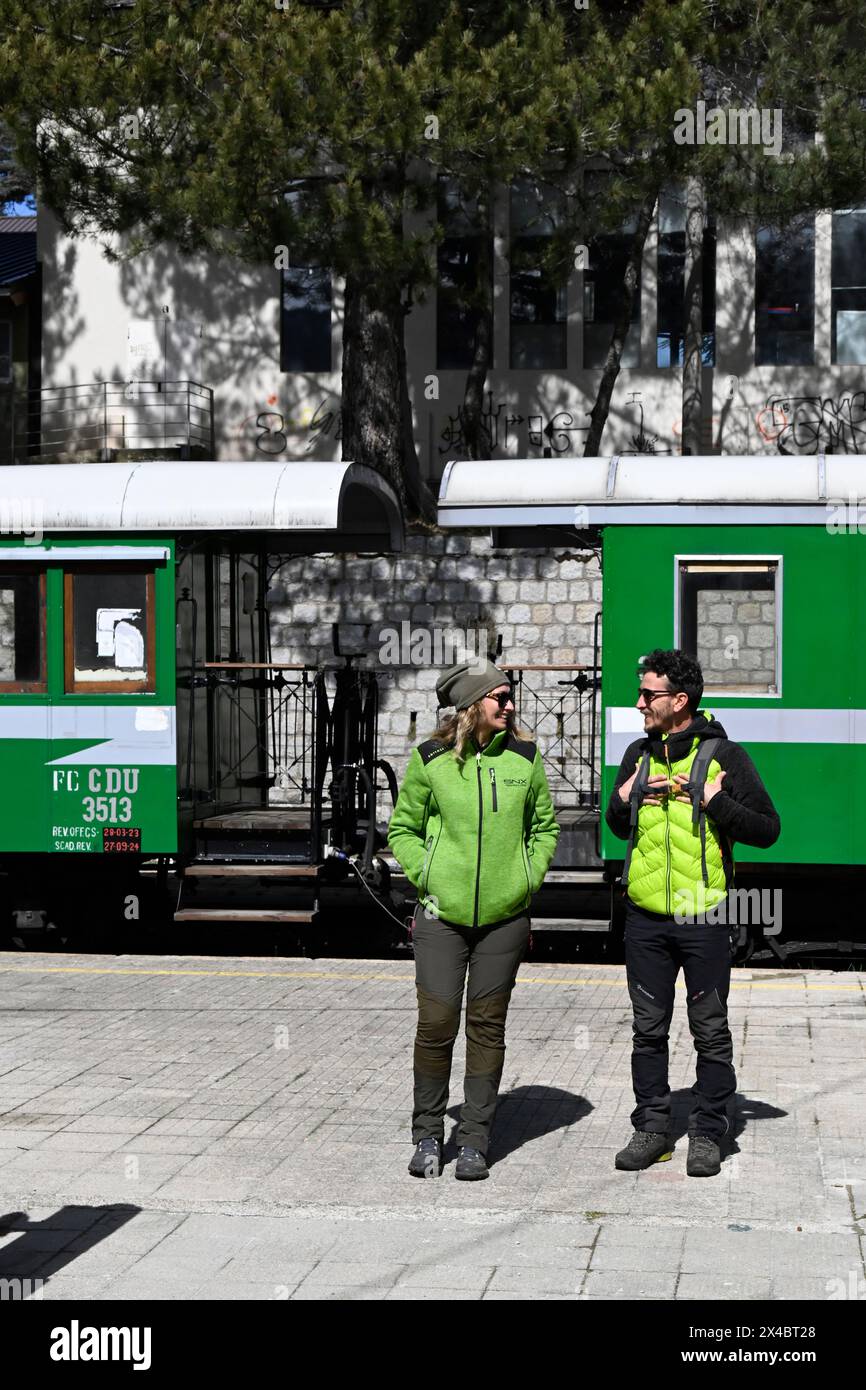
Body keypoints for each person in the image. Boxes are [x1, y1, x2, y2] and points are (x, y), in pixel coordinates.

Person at [605, 649, 780, 1177]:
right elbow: (617, 824)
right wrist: (625, 796)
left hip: (703, 917)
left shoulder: (725, 755)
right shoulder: (639, 753)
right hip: (645, 919)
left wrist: (713, 800)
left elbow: (767, 830)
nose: (640, 703)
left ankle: (708, 1131)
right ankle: (653, 1129)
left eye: (649, 694)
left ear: (679, 702)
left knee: (710, 1029)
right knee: (647, 1029)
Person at [388, 659, 560, 1180]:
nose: (510, 706)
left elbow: (544, 828)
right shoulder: (431, 759)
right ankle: (426, 1135)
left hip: (504, 920)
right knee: (437, 1025)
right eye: (500, 697)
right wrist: (429, 878)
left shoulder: (525, 760)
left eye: (510, 698)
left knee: (487, 1026)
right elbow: (403, 830)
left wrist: (526, 879)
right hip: (442, 916)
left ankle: (475, 1142)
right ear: (471, 706)